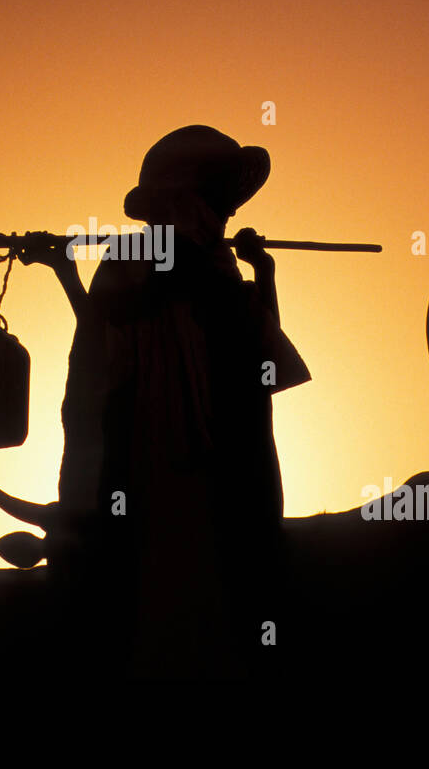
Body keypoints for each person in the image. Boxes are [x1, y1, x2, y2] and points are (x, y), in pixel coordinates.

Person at [19, 124, 309, 675]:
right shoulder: (134, 257)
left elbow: (261, 360)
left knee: (224, 579)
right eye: (215, 198)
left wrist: (263, 272)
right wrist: (65, 271)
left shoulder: (218, 268)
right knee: (148, 579)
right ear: (184, 196)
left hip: (220, 458)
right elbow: (102, 341)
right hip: (144, 453)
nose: (224, 215)